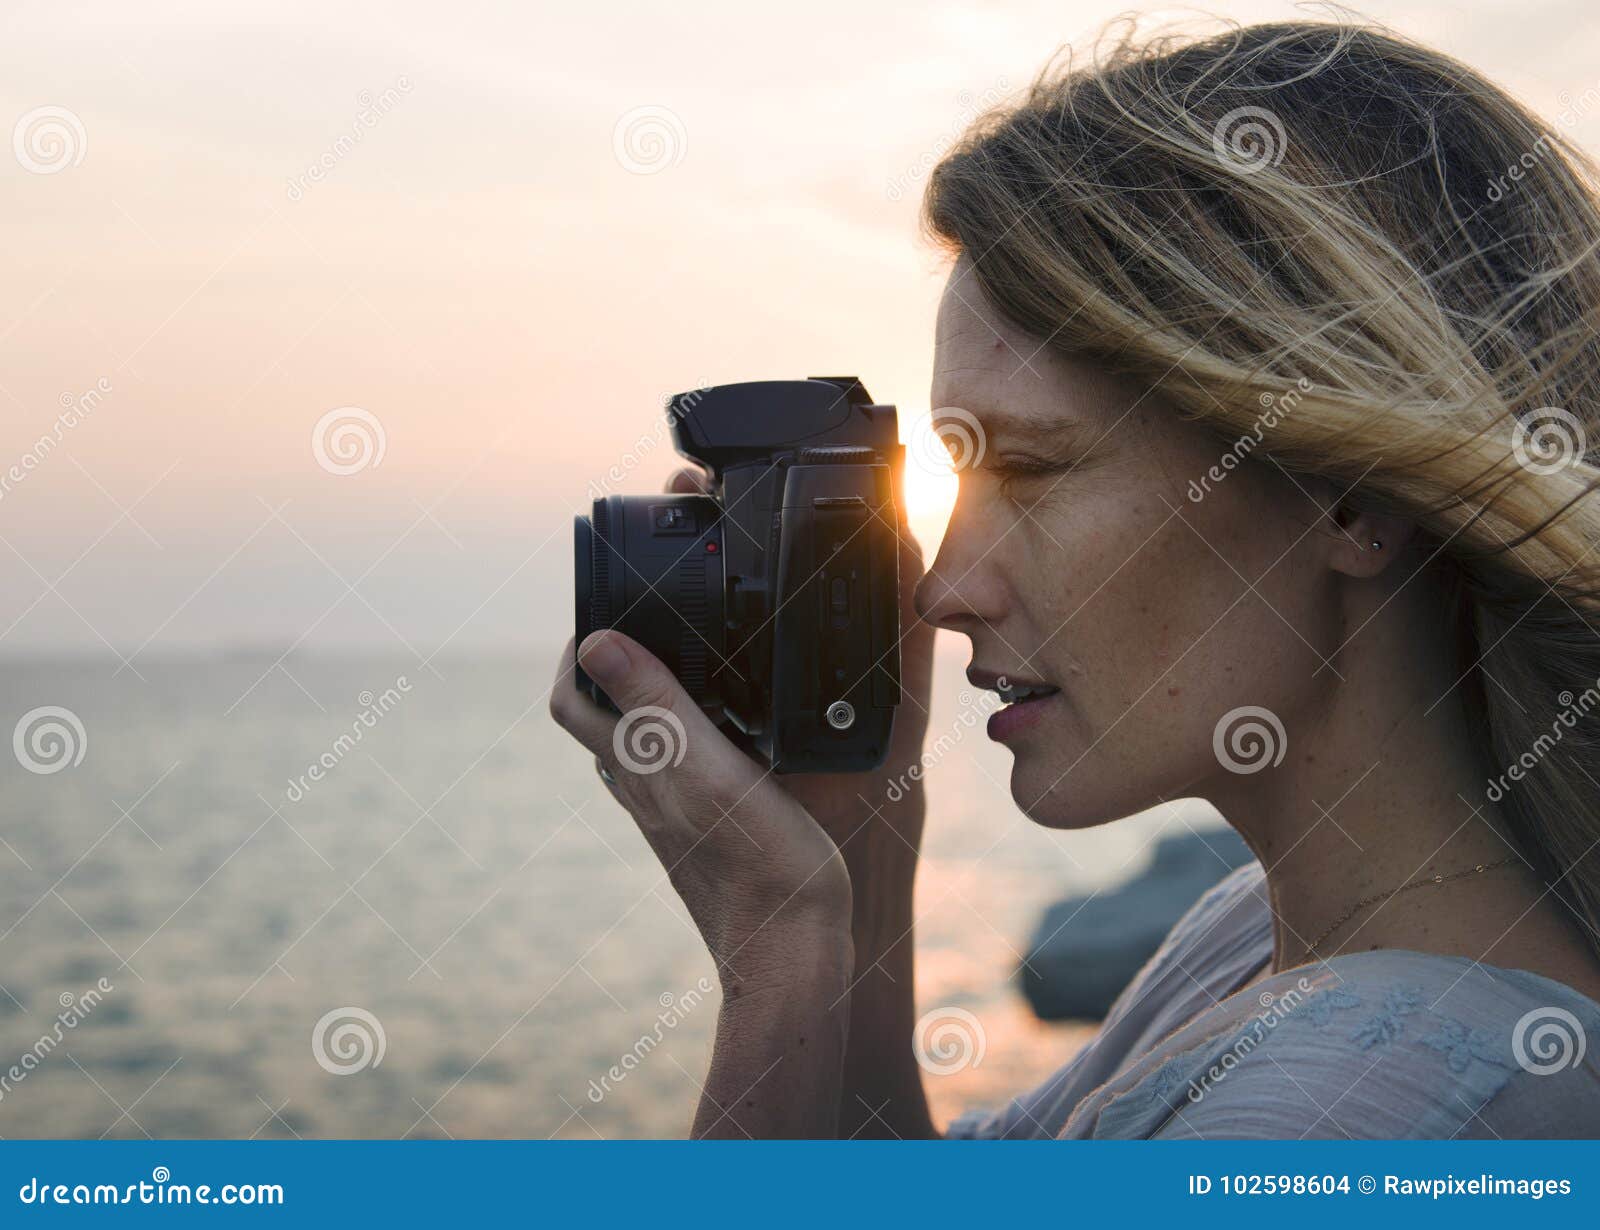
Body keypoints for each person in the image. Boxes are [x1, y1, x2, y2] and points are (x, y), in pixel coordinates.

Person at [551, 18, 1600, 1138]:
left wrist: (781, 964)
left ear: (1351, 498)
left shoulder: (1362, 1120)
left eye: (1035, 472)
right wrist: (859, 851)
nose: (940, 590)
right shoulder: (1258, 938)